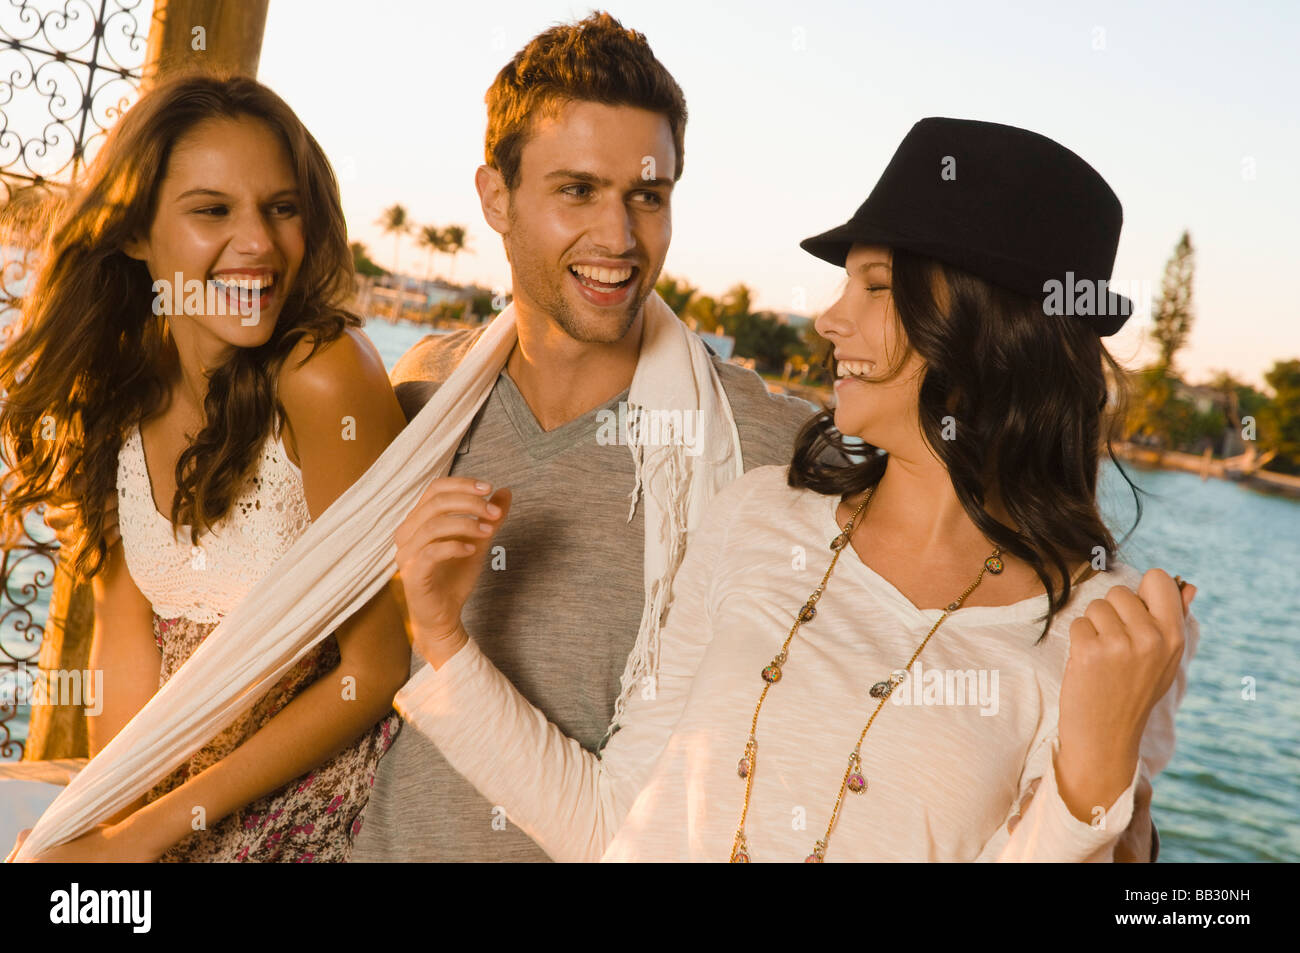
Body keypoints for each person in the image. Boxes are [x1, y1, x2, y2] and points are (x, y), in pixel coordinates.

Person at [390, 117, 1199, 861]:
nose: (828, 319)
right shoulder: (757, 514)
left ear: (996, 332)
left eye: (877, 287)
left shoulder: (1115, 634)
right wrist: (440, 634)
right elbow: (613, 825)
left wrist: (1093, 792)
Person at [349, 12, 815, 863]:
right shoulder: (426, 390)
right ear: (496, 197)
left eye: (648, 196)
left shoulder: (760, 446)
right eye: (577, 190)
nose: (619, 238)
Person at [0, 72, 410, 862]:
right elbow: (123, 648)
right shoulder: (113, 396)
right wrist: (99, 825)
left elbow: (376, 665)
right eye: (212, 210)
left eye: (281, 208)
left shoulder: (322, 377)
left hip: (318, 789)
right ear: (133, 232)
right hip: (171, 791)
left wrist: (142, 838)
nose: (257, 241)